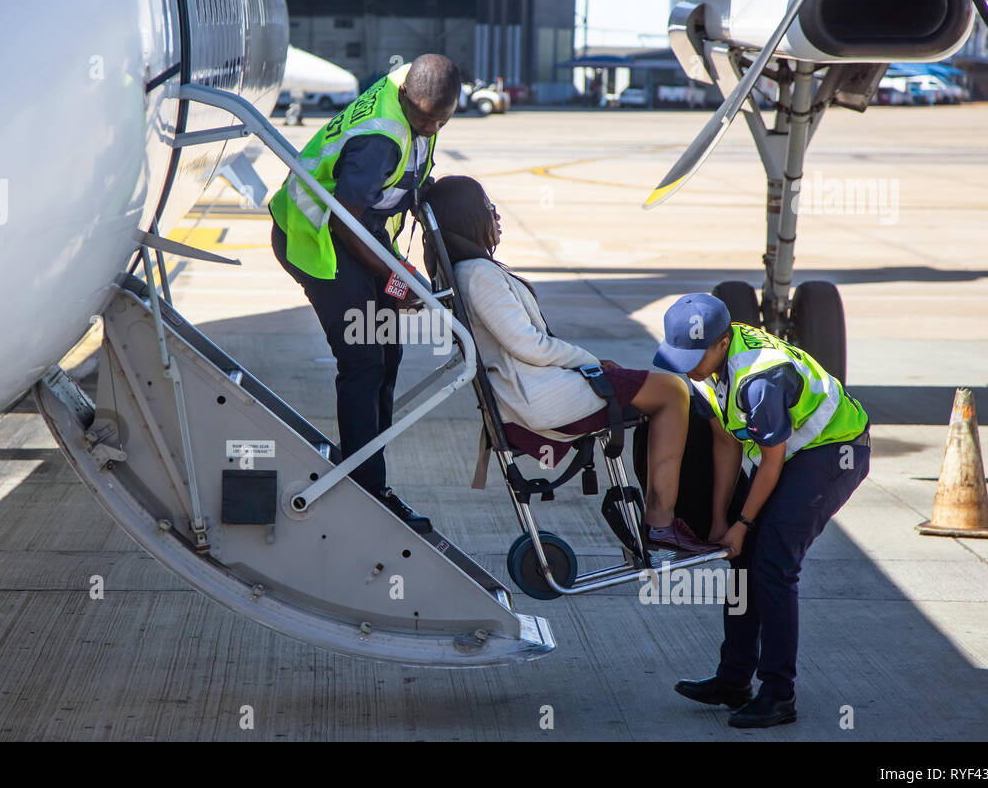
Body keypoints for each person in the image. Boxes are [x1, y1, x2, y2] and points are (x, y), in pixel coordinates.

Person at [421, 176, 720, 555]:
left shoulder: (472, 271)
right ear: (467, 217)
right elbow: (528, 345)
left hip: (533, 388)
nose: (495, 214)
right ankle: (661, 522)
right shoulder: (478, 275)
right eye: (486, 207)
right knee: (673, 391)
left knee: (657, 392)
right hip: (536, 396)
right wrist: (590, 363)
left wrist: (591, 366)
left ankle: (662, 517)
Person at [653, 293, 871, 728]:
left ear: (721, 343)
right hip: (790, 456)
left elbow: (770, 463)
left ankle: (778, 695)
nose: (687, 367)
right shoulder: (708, 364)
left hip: (832, 451)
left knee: (772, 564)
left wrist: (744, 523)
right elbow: (727, 441)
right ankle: (733, 680)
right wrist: (721, 520)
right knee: (744, 562)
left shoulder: (759, 378)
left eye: (694, 357)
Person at [269, 54, 461, 533]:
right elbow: (344, 219)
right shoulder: (382, 137)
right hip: (317, 240)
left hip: (362, 239)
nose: (430, 127)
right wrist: (398, 280)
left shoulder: (415, 95)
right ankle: (367, 490)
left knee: (388, 354)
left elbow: (403, 185)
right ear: (404, 99)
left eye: (440, 119)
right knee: (363, 360)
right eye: (422, 119)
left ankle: (367, 466)